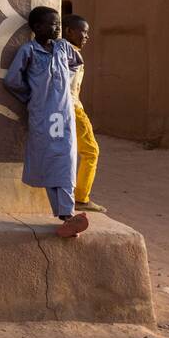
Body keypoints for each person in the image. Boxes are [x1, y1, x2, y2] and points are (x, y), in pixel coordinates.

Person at [4, 6, 89, 237]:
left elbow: (76, 63)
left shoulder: (62, 47)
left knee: (66, 158)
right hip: (43, 115)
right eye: (53, 24)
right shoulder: (28, 51)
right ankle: (65, 214)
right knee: (52, 159)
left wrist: (65, 89)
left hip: (63, 114)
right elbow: (12, 80)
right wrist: (32, 96)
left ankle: (67, 213)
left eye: (58, 23)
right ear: (38, 27)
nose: (58, 27)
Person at [64, 15, 105, 213]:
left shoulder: (66, 51)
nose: (86, 36)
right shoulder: (69, 53)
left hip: (66, 108)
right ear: (69, 31)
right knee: (91, 151)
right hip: (73, 108)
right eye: (83, 31)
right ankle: (81, 197)